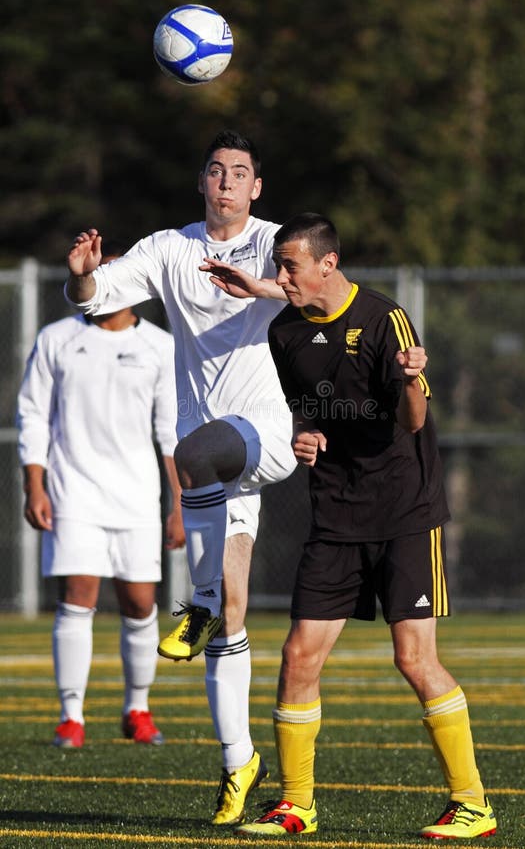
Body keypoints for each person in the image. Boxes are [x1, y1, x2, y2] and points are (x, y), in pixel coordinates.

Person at [233, 213, 496, 840]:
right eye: (278, 265)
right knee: (298, 655)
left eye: (290, 265)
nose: (281, 277)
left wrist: (409, 380)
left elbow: (411, 420)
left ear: (327, 263)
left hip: (404, 511)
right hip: (335, 511)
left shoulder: (383, 319)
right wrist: (304, 437)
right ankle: (297, 805)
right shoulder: (284, 334)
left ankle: (473, 803)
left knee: (413, 658)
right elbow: (308, 413)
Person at [63, 131, 296, 824]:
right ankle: (238, 762)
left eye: (241, 173)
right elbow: (92, 297)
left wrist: (263, 286)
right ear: (202, 182)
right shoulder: (171, 248)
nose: (227, 181)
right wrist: (81, 273)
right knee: (233, 615)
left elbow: (320, 297)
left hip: (264, 432)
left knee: (191, 456)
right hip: (216, 458)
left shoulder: (275, 242)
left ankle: (190, 602)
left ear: (257, 188)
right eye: (217, 170)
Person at [16, 242, 185, 749]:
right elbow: (32, 415)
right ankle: (71, 716)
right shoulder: (57, 339)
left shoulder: (159, 346)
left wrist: (179, 504)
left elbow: (170, 432)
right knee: (77, 598)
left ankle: (138, 708)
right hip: (74, 493)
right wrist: (35, 486)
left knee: (140, 603)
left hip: (136, 497)